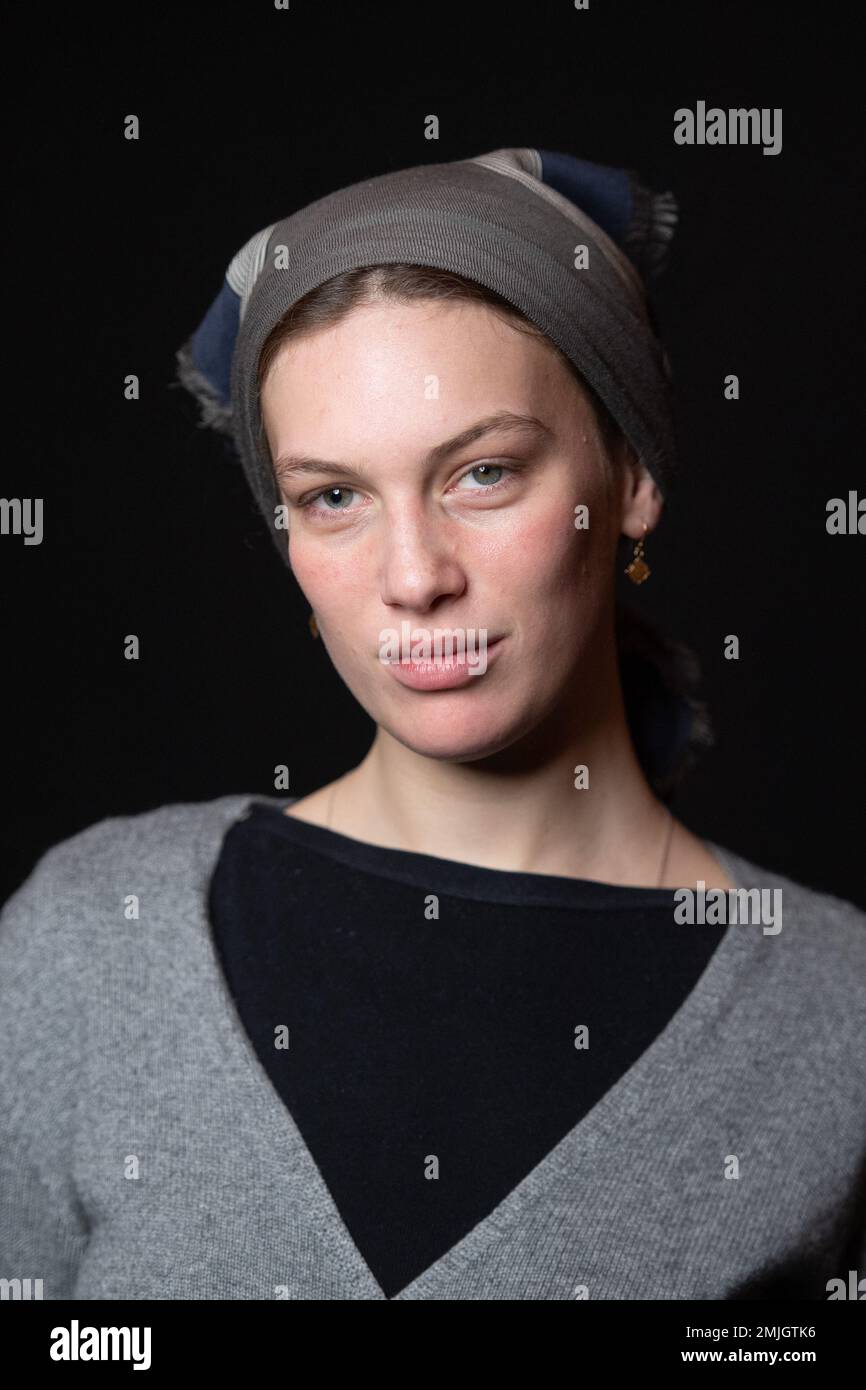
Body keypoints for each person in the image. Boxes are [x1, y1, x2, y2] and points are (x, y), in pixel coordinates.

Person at [1, 147, 863, 1301]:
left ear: (629, 471)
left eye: (484, 472)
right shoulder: (93, 933)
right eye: (333, 497)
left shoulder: (833, 1014)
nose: (412, 578)